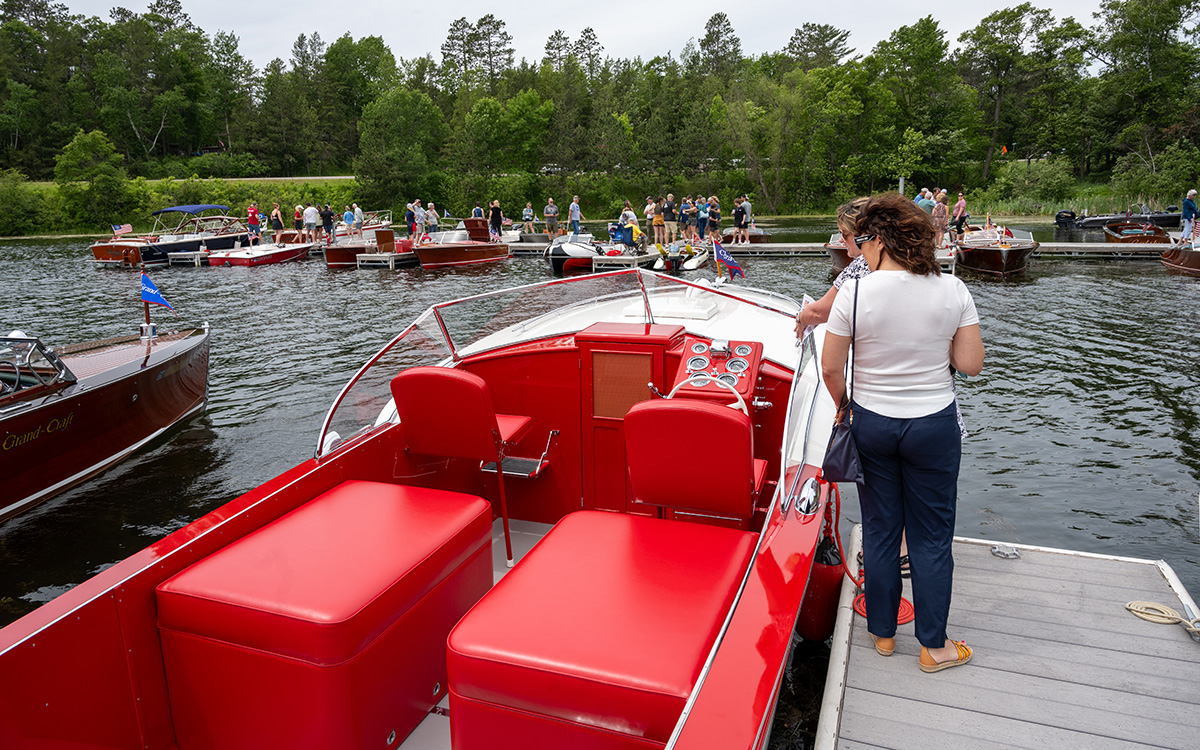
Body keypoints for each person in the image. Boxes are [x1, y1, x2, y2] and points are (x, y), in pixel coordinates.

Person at [821, 192, 984, 674]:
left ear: (880, 241)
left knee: (880, 529)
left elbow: (831, 367)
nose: (861, 249)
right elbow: (970, 365)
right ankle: (934, 648)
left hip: (871, 423)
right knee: (932, 537)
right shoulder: (952, 289)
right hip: (933, 425)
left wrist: (845, 406)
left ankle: (884, 634)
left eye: (864, 239)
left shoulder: (853, 291)